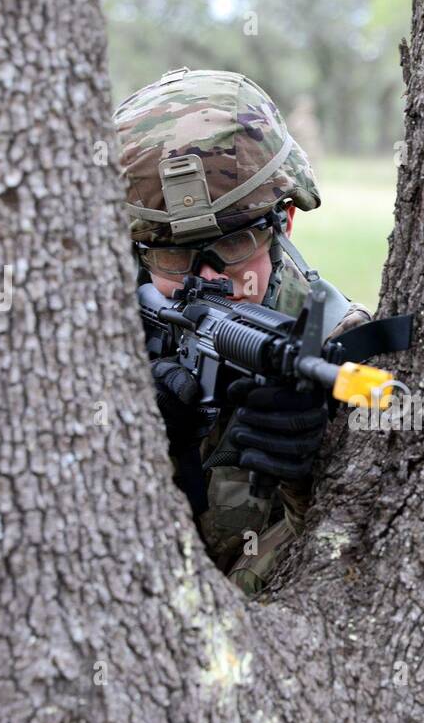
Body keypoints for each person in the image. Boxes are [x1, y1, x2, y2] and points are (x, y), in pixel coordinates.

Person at [115, 67, 370, 594]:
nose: (205, 277)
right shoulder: (100, 338)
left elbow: (351, 578)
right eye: (172, 252)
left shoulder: (341, 355)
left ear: (285, 224)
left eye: (233, 243)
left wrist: (308, 477)